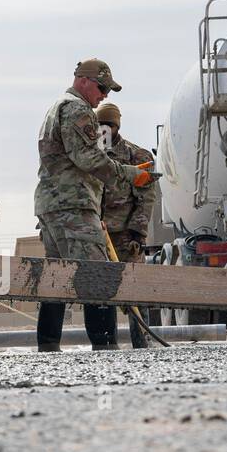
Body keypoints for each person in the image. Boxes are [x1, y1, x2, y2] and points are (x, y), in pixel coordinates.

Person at [34, 59, 154, 352]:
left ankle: (48, 347)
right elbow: (89, 159)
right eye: (102, 88)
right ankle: (105, 348)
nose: (104, 96)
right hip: (72, 206)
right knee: (98, 274)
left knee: (57, 276)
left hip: (55, 206)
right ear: (84, 81)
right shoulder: (77, 109)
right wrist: (132, 174)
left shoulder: (57, 107)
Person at [96, 102, 156, 348]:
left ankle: (142, 342)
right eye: (100, 126)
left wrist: (137, 234)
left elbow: (146, 198)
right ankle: (106, 343)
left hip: (124, 236)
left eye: (108, 125)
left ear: (117, 126)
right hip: (96, 235)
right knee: (102, 290)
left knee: (135, 289)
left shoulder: (137, 156)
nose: (104, 131)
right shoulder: (90, 156)